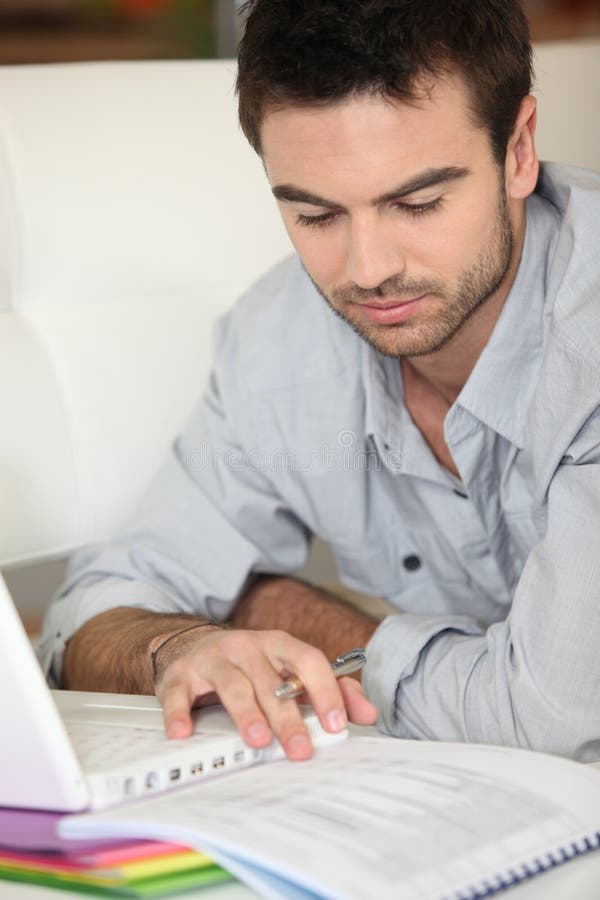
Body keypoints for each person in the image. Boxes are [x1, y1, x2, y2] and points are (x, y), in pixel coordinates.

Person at [40, 0, 600, 762]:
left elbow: (554, 719)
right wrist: (177, 647)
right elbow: (90, 610)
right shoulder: (279, 342)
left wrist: (291, 616)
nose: (367, 271)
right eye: (315, 215)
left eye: (417, 202)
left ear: (520, 150)